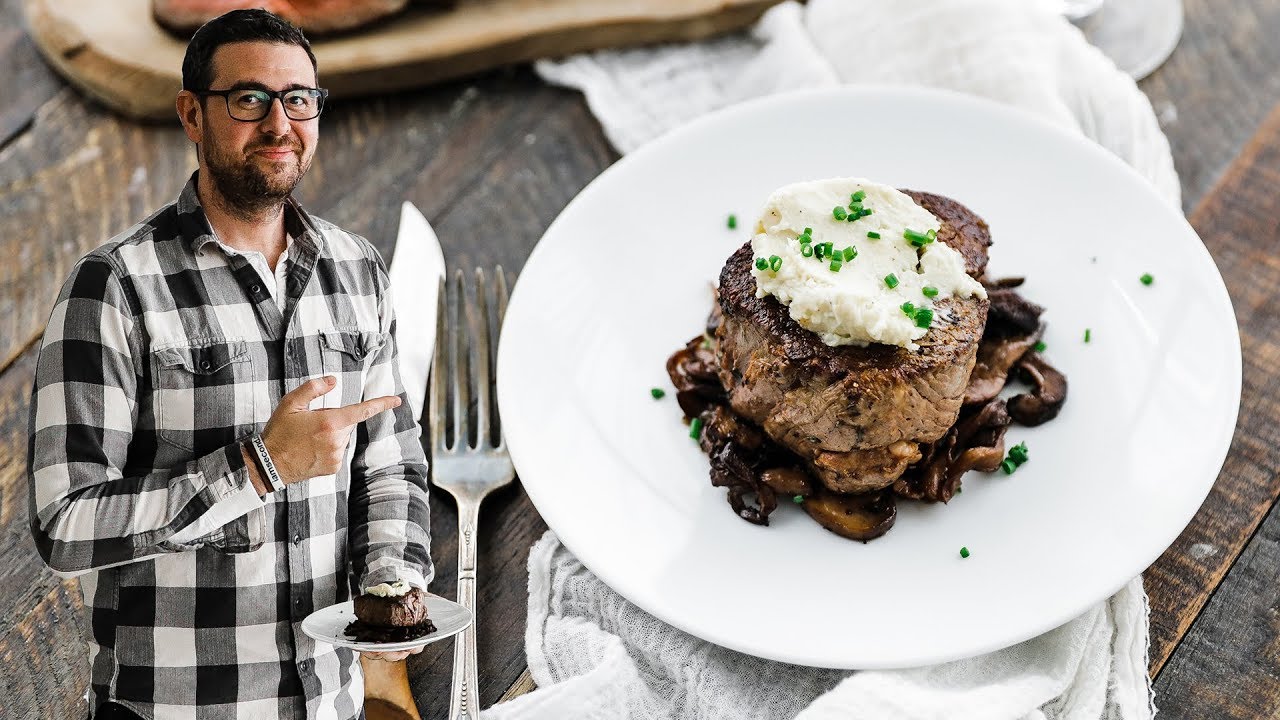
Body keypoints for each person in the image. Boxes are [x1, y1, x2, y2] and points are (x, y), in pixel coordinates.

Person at [26, 9, 431, 719]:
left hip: (329, 702)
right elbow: (64, 526)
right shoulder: (115, 286)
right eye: (249, 99)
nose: (280, 124)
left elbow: (390, 464)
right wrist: (256, 467)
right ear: (192, 113)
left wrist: (391, 582)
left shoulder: (357, 269)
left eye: (298, 99)